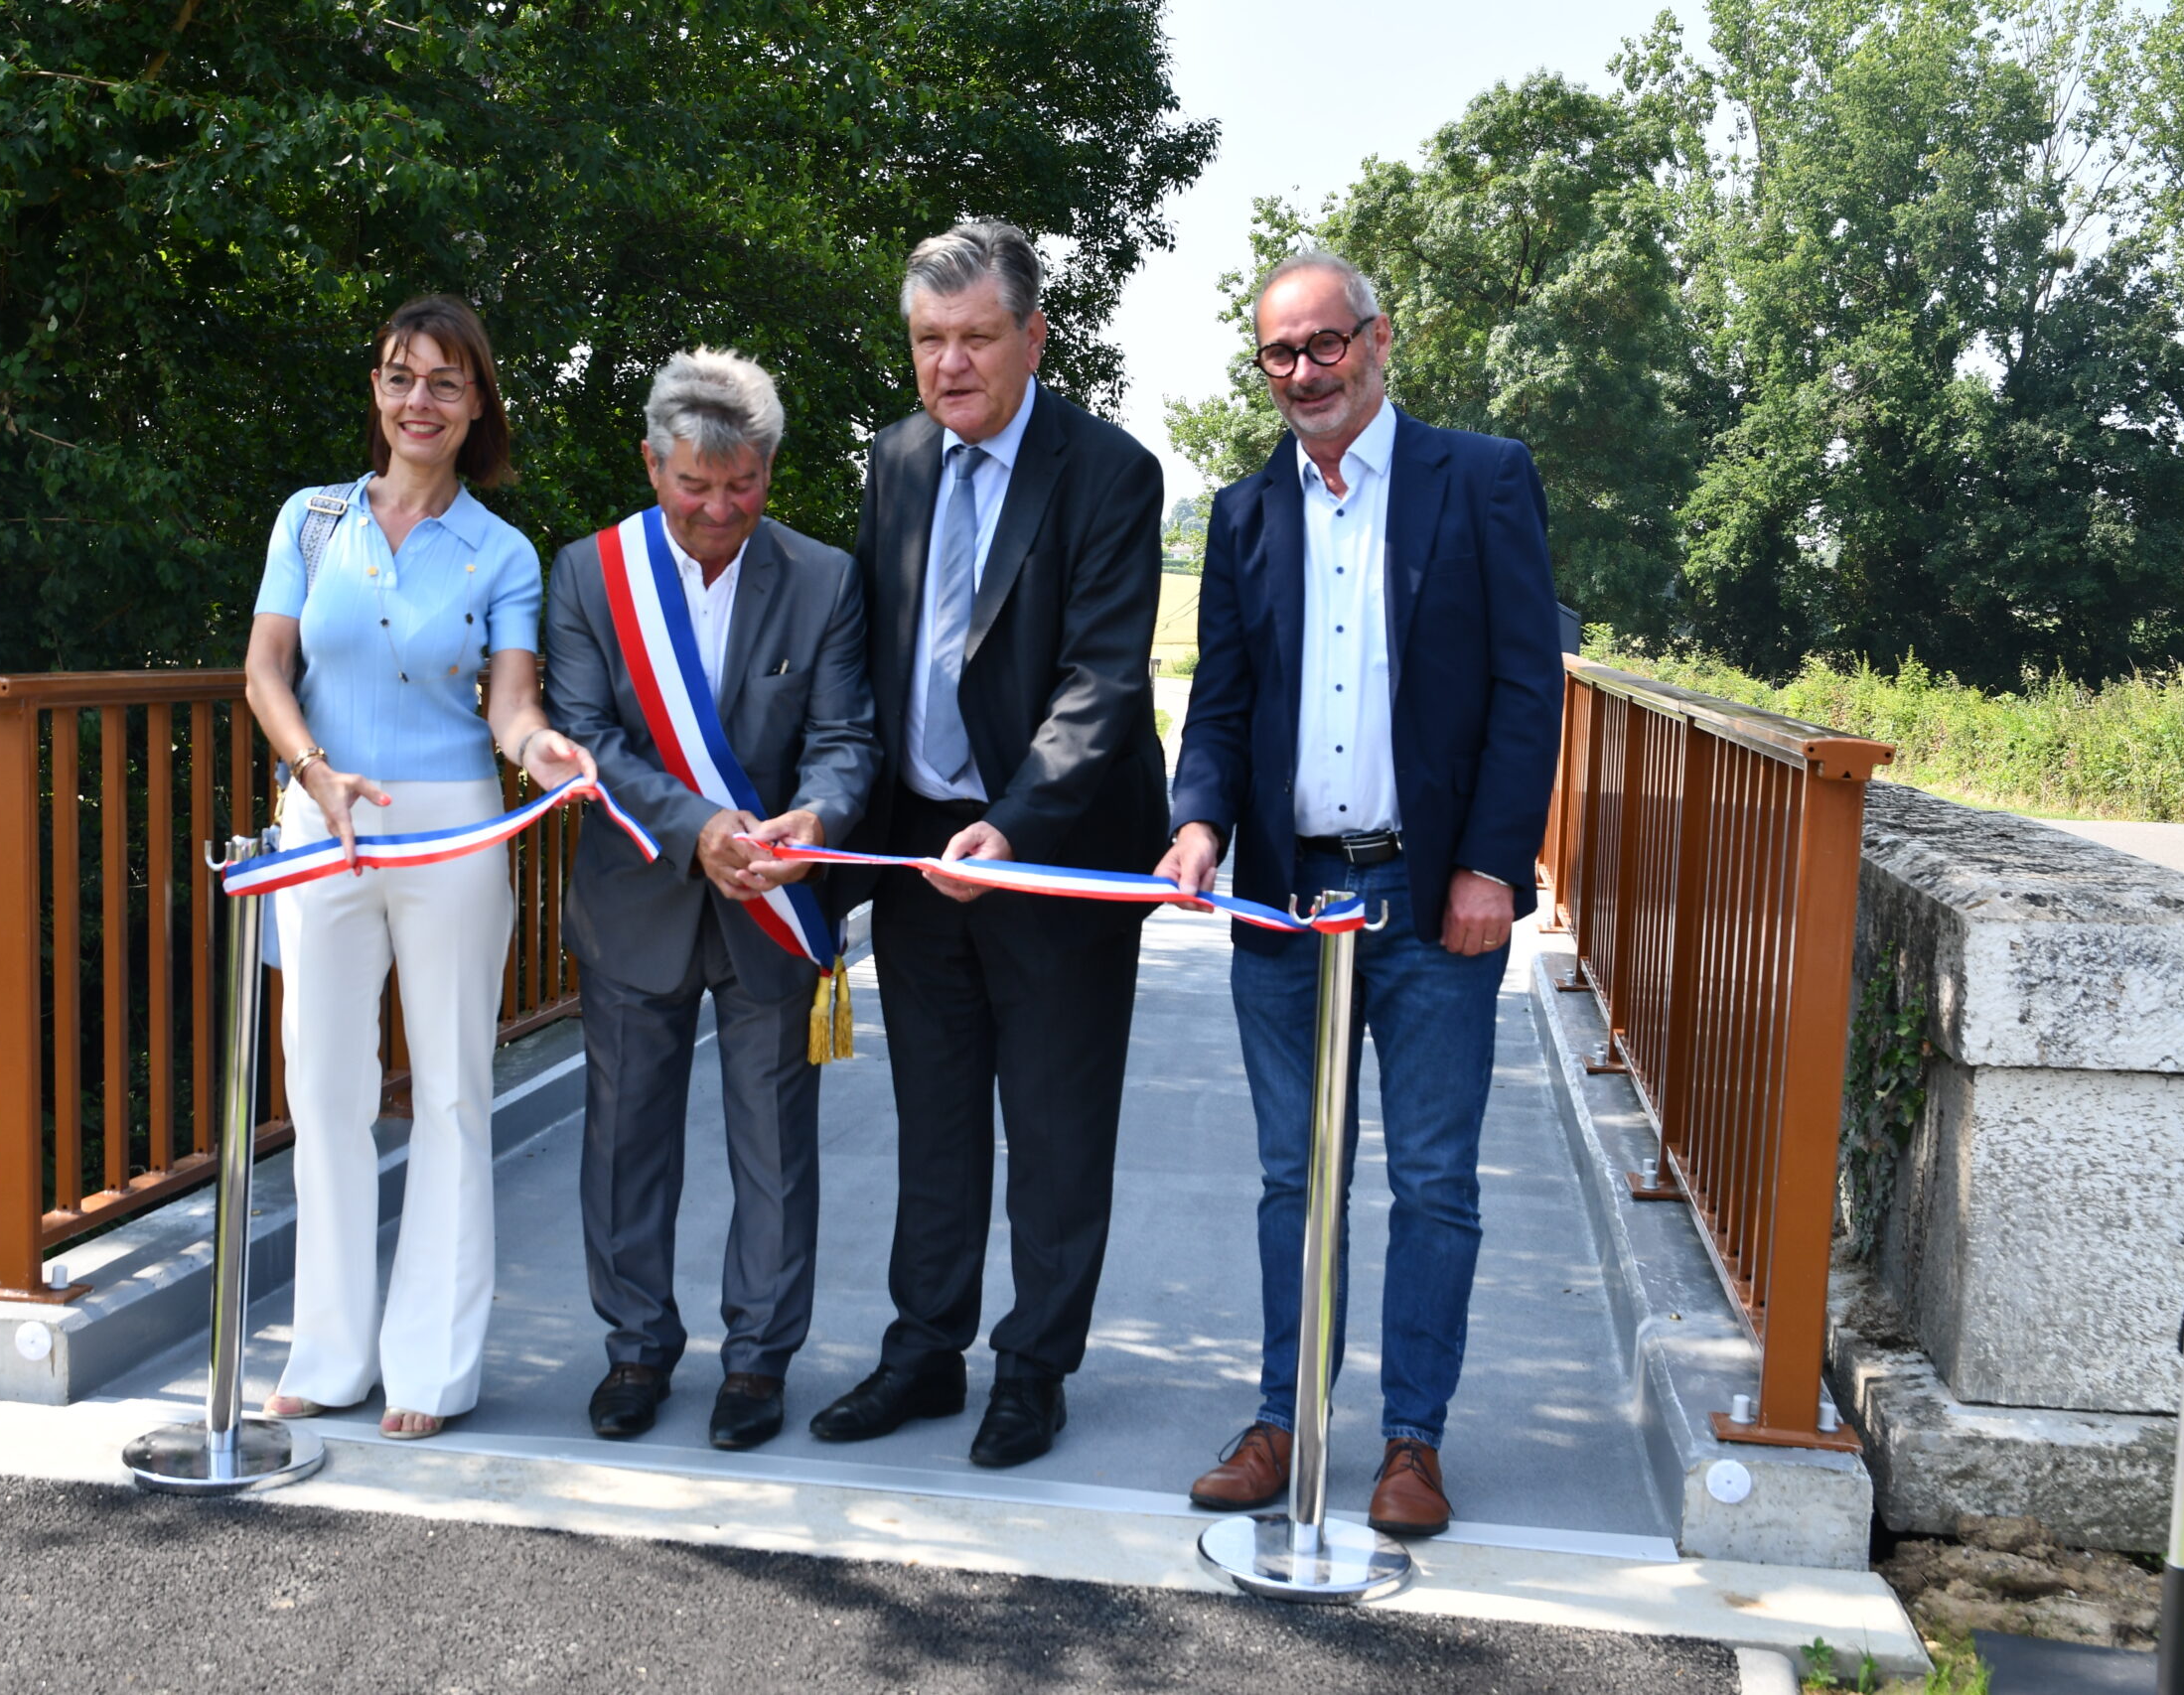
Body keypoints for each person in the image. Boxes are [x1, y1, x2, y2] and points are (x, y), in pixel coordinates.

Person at [1157, 250, 1562, 1535]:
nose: (1304, 372)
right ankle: (1285, 1420)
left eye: (1325, 343)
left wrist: (1491, 863)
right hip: (1287, 903)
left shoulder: (1480, 479)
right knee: (1296, 1177)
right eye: (1280, 353)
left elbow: (1527, 685)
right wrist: (1197, 822)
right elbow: (1221, 703)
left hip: (1431, 899)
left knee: (1434, 1180)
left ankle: (1411, 1443)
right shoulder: (1243, 516)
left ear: (1378, 342)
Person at [808, 220, 1166, 1469]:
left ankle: (1033, 1369)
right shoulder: (895, 457)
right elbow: (871, 655)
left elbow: (1102, 684)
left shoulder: (1109, 472)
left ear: (1034, 338)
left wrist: (1011, 825)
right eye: (927, 340)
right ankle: (924, 1352)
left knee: (1056, 1132)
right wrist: (831, 814)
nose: (948, 364)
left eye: (974, 337)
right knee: (936, 1120)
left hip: (1054, 855)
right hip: (917, 854)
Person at [244, 295, 595, 1441]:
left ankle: (432, 1372)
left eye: (445, 381)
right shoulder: (310, 521)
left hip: (451, 830)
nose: (419, 401)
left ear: (476, 400)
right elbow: (264, 672)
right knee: (323, 1090)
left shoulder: (502, 551)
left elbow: (510, 707)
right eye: (401, 376)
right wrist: (314, 773)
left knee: (450, 1090)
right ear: (377, 391)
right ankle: (329, 1355)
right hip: (324, 822)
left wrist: (543, 752)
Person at [542, 348, 879, 1451]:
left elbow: (844, 738)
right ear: (652, 465)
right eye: (695, 484)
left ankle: (757, 1362)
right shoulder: (590, 574)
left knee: (775, 1150)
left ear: (769, 469)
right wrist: (700, 829)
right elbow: (584, 738)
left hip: (772, 903)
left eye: (742, 485)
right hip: (636, 899)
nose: (719, 509)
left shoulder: (824, 579)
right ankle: (636, 1348)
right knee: (623, 1143)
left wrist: (817, 819)